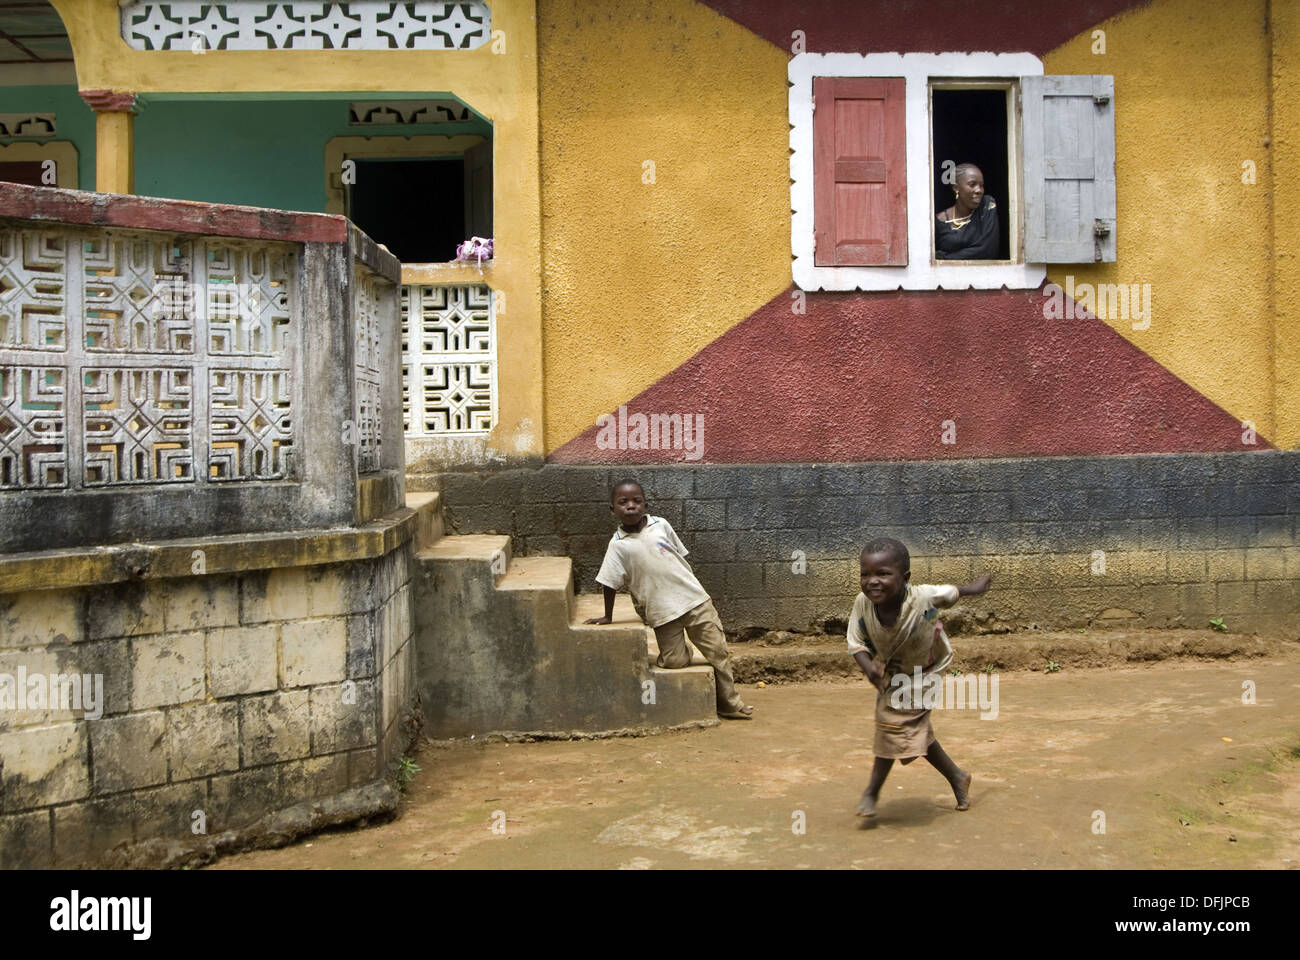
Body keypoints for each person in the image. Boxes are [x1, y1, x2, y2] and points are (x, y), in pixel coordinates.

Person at [584, 479, 754, 720]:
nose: (630, 506)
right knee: (674, 662)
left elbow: (679, 555)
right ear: (613, 511)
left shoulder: (661, 525)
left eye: (636, 501)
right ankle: (681, 648)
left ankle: (729, 703)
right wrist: (608, 615)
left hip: (694, 600)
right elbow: (609, 582)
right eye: (623, 503)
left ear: (645, 504)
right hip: (662, 612)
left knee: (718, 652)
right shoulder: (617, 546)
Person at [848, 537, 992, 822]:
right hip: (891, 674)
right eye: (865, 574)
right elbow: (855, 642)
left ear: (905, 578)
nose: (872, 581)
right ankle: (957, 776)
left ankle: (872, 792)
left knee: (893, 724)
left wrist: (974, 589)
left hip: (927, 671)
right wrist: (868, 669)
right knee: (910, 730)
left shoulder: (922, 597)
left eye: (883, 574)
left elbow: (951, 593)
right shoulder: (862, 605)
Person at [935, 163, 999, 259]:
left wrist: (945, 258)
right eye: (972, 184)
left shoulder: (987, 205)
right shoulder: (938, 221)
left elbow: (988, 250)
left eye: (981, 185)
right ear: (956, 188)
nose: (979, 190)